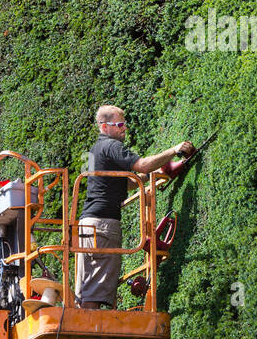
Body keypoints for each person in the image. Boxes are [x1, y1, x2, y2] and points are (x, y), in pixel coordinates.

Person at [77, 105, 192, 309]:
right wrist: (174, 150)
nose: (124, 129)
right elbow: (143, 164)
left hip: (87, 224)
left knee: (88, 287)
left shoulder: (92, 152)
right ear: (104, 126)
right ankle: (94, 332)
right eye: (119, 124)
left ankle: (89, 328)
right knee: (96, 292)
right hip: (104, 225)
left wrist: (158, 173)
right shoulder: (112, 146)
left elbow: (127, 182)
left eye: (124, 124)